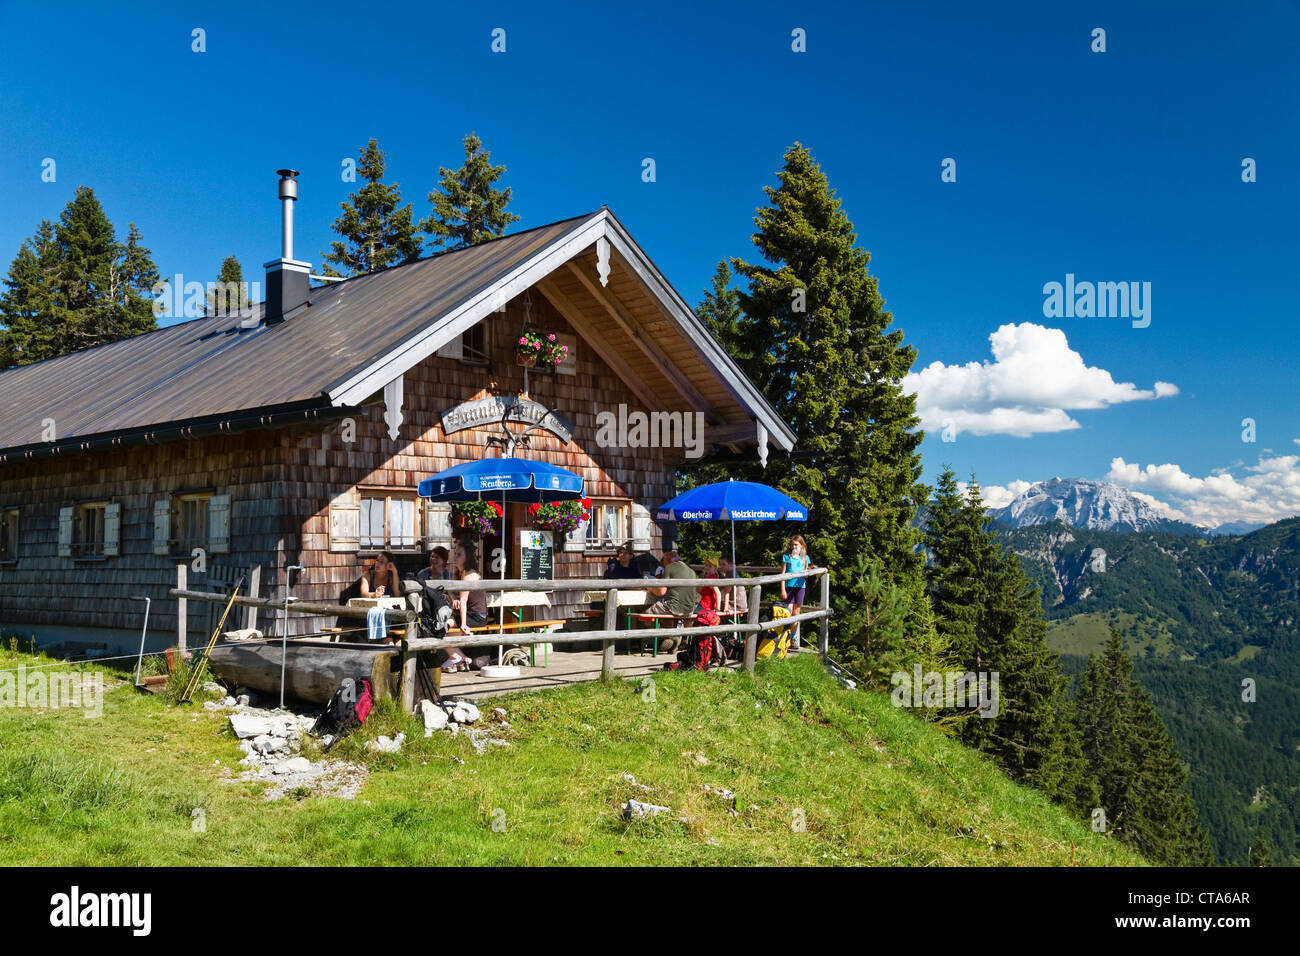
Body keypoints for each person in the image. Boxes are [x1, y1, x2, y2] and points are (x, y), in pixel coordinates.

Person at [643, 548, 697, 652]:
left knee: (646, 613)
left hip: (674, 608)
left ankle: (669, 637)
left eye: (663, 562)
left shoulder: (669, 568)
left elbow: (661, 592)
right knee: (664, 609)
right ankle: (670, 637)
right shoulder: (691, 571)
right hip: (690, 610)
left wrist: (649, 587)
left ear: (667, 560)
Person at [780, 536, 816, 648]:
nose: (794, 547)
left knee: (796, 612)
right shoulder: (787, 557)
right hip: (789, 587)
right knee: (788, 611)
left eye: (796, 544)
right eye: (792, 544)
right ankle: (784, 635)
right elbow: (782, 574)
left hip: (800, 587)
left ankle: (793, 637)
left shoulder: (805, 558)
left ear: (802, 546)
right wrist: (782, 589)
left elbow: (805, 570)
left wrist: (811, 569)